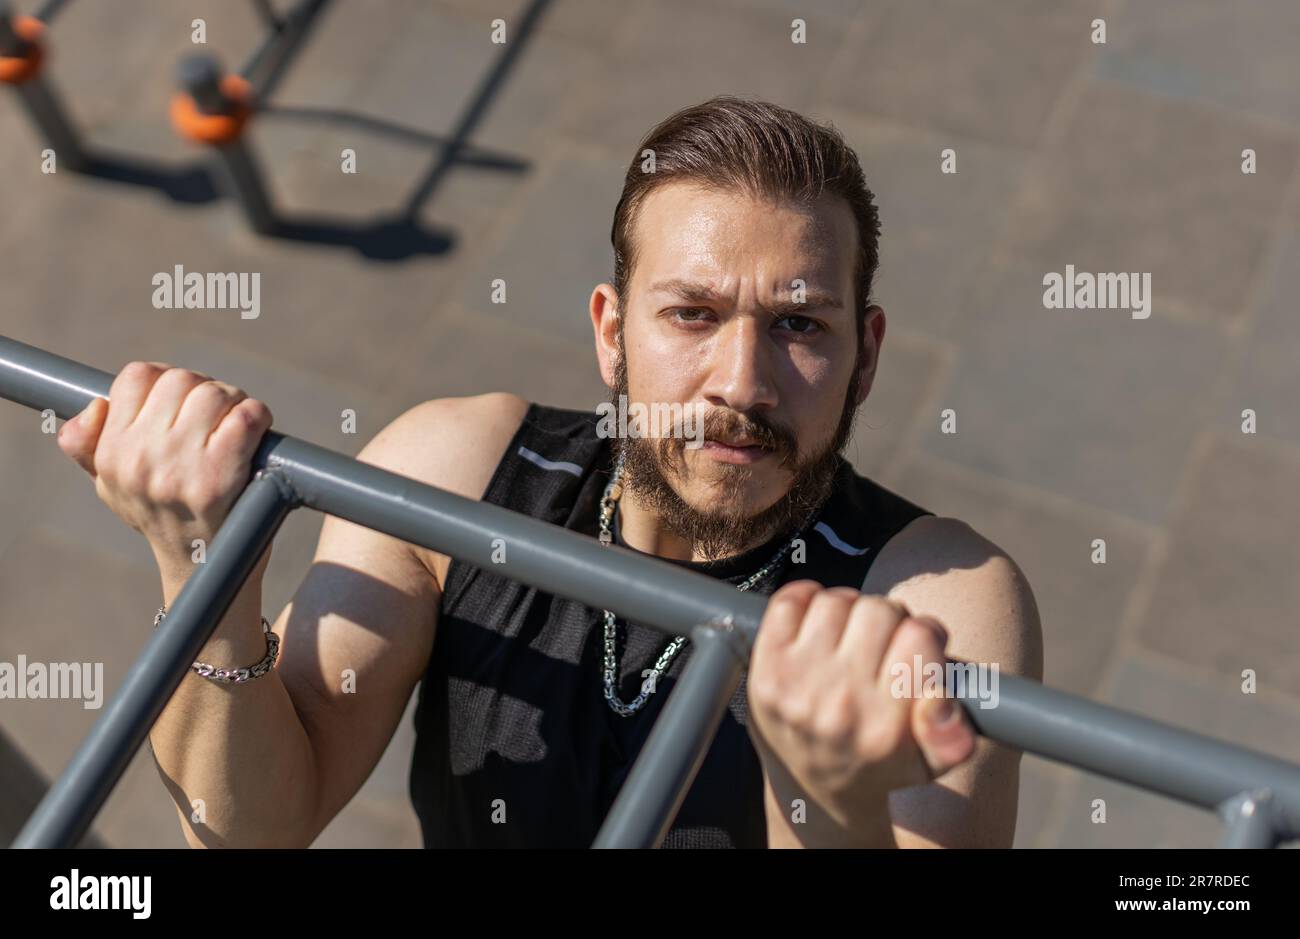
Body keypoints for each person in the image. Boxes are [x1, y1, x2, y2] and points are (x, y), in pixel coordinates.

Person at [56, 96, 1043, 848]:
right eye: (691, 315)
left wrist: (831, 806)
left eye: (799, 325)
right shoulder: (455, 473)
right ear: (612, 335)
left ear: (864, 355)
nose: (741, 383)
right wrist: (202, 571)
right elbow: (252, 830)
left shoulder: (935, 603)